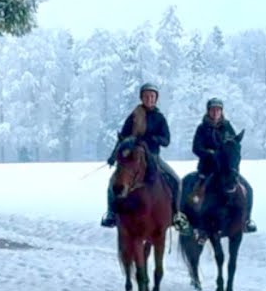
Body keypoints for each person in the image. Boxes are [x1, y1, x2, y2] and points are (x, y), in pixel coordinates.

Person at [101, 83, 188, 230]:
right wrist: (113, 156)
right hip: (133, 157)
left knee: (177, 181)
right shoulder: (134, 116)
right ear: (141, 97)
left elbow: (166, 140)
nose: (149, 99)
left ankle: (176, 214)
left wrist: (155, 139)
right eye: (146, 96)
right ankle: (111, 213)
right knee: (113, 182)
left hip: (153, 157)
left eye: (152, 96)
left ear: (156, 99)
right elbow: (122, 138)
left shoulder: (160, 118)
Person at [191, 97, 256, 233]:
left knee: (248, 189)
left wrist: (228, 155)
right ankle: (195, 220)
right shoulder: (202, 128)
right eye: (213, 110)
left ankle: (246, 220)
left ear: (221, 112)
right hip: (207, 168)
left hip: (226, 169)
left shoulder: (227, 127)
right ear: (208, 111)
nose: (215, 113)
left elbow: (233, 145)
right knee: (196, 193)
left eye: (218, 110)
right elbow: (196, 148)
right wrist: (209, 154)